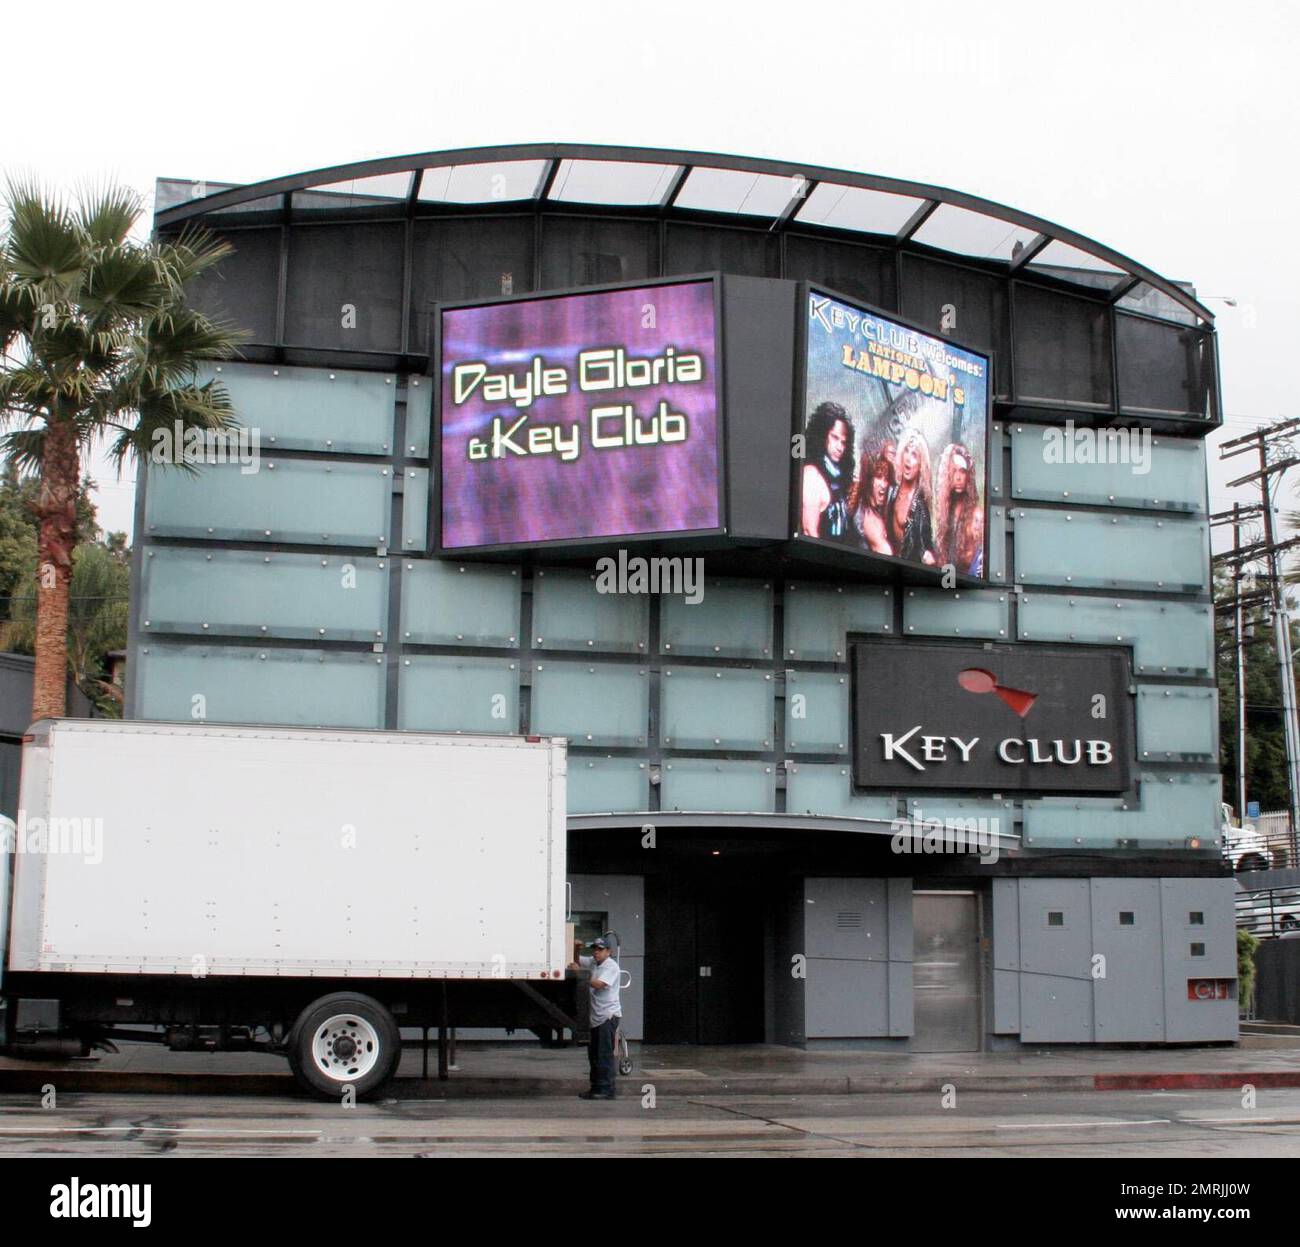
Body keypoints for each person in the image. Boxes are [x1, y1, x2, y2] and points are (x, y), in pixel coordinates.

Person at [569, 937, 622, 1100]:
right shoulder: (594, 962)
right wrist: (577, 948)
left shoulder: (611, 966)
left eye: (600, 949)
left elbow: (599, 984)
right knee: (594, 1055)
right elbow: (577, 961)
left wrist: (580, 974)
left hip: (607, 1016)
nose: (596, 952)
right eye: (595, 949)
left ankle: (607, 1089)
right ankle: (596, 1087)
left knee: (604, 1054)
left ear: (609, 952)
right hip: (595, 1016)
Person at [800, 401, 856, 542]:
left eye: (843, 442)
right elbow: (809, 532)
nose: (840, 447)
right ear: (822, 435)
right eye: (835, 437)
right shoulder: (811, 475)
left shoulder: (839, 476)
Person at [887, 429, 937, 565]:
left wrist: (928, 557)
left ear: (921, 464)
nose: (908, 459)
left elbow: (926, 546)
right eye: (906, 451)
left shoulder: (920, 505)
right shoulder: (892, 493)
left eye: (914, 455)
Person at [934, 442, 984, 577]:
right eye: (953, 471)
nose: (958, 477)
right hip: (944, 587)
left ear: (968, 475)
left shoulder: (977, 516)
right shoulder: (945, 513)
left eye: (962, 471)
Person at [849, 442, 895, 555]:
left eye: (886, 479)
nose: (884, 484)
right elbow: (887, 553)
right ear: (869, 481)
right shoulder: (868, 517)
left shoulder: (872, 507)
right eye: (879, 477)